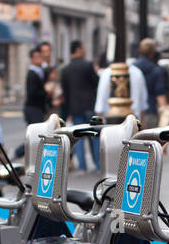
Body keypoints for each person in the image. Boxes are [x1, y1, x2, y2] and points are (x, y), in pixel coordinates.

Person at [60, 40, 100, 171]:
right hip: (89, 105)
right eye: (83, 48)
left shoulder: (66, 69)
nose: (84, 50)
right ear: (78, 49)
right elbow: (96, 83)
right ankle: (98, 165)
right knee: (94, 135)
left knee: (79, 138)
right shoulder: (87, 65)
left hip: (75, 107)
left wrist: (68, 110)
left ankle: (82, 167)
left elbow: (65, 91)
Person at [94, 56, 147, 122]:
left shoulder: (107, 73)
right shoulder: (137, 72)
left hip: (130, 119)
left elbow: (100, 103)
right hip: (116, 119)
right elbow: (142, 103)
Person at [133, 38, 168, 129]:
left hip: (132, 113)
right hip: (150, 112)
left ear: (139, 50)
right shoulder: (155, 70)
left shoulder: (132, 68)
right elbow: (160, 96)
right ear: (153, 52)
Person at [24, 45, 49, 124]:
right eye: (36, 57)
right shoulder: (32, 73)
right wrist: (46, 91)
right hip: (33, 108)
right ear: (32, 59)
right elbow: (32, 92)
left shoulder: (40, 71)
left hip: (38, 108)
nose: (39, 59)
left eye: (40, 56)